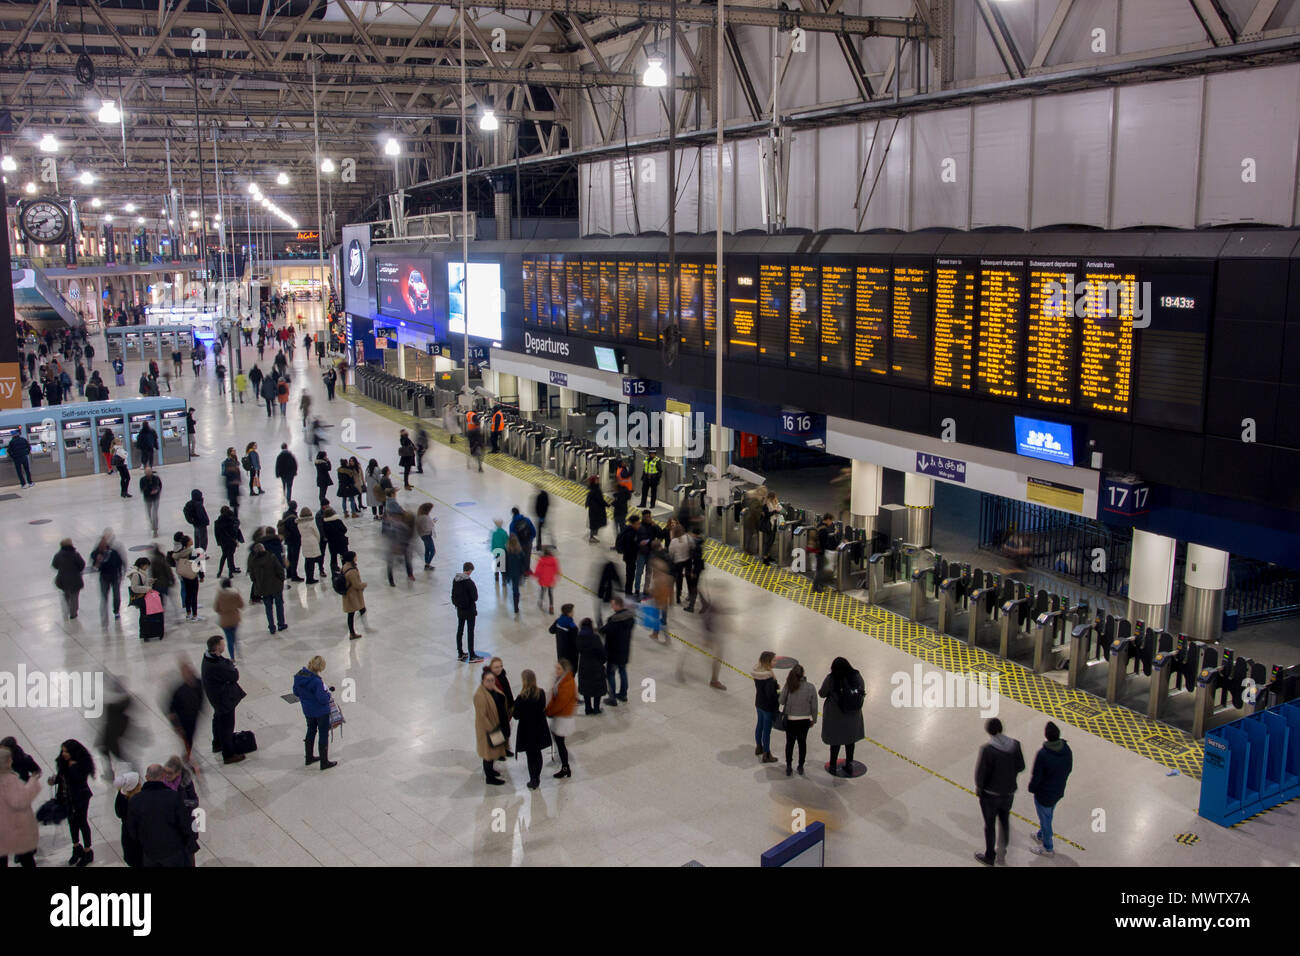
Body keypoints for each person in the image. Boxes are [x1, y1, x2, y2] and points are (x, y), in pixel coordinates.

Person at [973, 717, 1026, 866]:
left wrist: (980, 790)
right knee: (1004, 821)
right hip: (1008, 793)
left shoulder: (988, 750)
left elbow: (981, 775)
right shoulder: (1015, 745)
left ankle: (990, 856)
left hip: (990, 795)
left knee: (990, 825)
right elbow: (1021, 766)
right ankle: (1002, 850)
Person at [126, 764, 197, 867]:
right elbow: (185, 825)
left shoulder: (135, 801)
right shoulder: (173, 797)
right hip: (174, 852)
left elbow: (132, 831)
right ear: (163, 776)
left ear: (146, 777)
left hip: (150, 853)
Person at [1027, 721, 1073, 857]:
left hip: (1044, 794)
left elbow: (1037, 776)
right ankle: (1041, 834)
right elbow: (1069, 768)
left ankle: (1047, 847)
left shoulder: (1043, 754)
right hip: (1058, 790)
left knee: (1045, 819)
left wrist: (1032, 788)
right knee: (1048, 814)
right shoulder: (1066, 750)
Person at [49, 739, 96, 865]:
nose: (63, 754)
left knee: (82, 822)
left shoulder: (79, 766)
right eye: (63, 751)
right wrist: (55, 780)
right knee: (72, 823)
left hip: (80, 799)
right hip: (66, 799)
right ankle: (76, 847)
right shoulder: (64, 763)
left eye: (66, 751)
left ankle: (87, 851)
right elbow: (62, 776)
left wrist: (73, 768)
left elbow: (77, 782)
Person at [202, 635, 247, 765]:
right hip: (223, 698)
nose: (224, 646)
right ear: (217, 647)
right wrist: (232, 667)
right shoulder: (217, 666)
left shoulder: (208, 657)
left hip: (215, 697)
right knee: (227, 726)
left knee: (218, 719)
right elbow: (234, 675)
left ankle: (217, 743)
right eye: (222, 644)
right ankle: (228, 754)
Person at [819, 657, 866, 777]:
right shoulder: (856, 676)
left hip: (835, 715)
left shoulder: (831, 679)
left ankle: (833, 765)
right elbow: (862, 689)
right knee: (850, 741)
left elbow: (822, 693)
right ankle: (849, 763)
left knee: (835, 742)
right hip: (853, 715)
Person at [0, 744, 43, 867]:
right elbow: (19, 801)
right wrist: (33, 783)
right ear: (7, 761)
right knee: (26, 859)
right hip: (15, 828)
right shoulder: (9, 780)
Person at [293, 657, 338, 771]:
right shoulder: (316, 681)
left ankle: (309, 757)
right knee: (323, 734)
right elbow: (323, 699)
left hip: (308, 710)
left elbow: (296, 692)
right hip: (321, 712)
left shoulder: (299, 675)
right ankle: (324, 762)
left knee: (311, 731)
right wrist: (328, 693)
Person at [512, 669, 551, 790]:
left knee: (530, 755)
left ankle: (533, 778)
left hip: (527, 730)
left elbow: (516, 715)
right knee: (538, 753)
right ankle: (537, 777)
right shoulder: (541, 693)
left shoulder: (521, 697)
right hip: (539, 728)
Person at [779, 664, 818, 777]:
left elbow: (781, 701)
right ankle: (800, 766)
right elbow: (814, 706)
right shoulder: (810, 687)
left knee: (790, 743)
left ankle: (788, 766)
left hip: (790, 720)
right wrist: (813, 720)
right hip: (804, 721)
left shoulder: (789, 685)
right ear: (803, 674)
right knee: (802, 743)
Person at [166, 660, 205, 765]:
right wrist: (175, 725)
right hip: (183, 720)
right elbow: (171, 709)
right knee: (187, 739)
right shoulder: (179, 690)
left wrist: (201, 709)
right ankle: (188, 757)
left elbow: (201, 696)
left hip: (194, 716)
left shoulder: (198, 682)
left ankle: (188, 754)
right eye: (186, 671)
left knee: (191, 737)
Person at [474, 670, 509, 786]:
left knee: (493, 753)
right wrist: (493, 731)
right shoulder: (479, 696)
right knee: (488, 754)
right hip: (488, 730)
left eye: (492, 680)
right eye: (488, 681)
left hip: (496, 726)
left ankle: (491, 772)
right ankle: (490, 778)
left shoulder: (492, 690)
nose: (491, 683)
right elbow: (482, 717)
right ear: (483, 681)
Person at [599, 596, 635, 707]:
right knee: (623, 671)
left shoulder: (613, 620)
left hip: (613, 652)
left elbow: (605, 630)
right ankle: (623, 694)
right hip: (625, 650)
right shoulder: (630, 618)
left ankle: (612, 697)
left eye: (613, 604)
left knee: (610, 673)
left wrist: (599, 628)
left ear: (618, 605)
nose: (611, 606)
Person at [249, 542, 287, 634]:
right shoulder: (271, 557)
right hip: (275, 586)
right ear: (263, 549)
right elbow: (280, 570)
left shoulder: (253, 561)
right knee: (279, 605)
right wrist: (281, 580)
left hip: (263, 589)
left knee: (268, 608)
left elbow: (252, 577)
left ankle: (271, 626)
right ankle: (281, 624)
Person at [90, 529, 126, 627]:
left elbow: (120, 563)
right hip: (104, 577)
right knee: (104, 597)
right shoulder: (95, 553)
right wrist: (98, 562)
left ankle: (116, 611)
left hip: (115, 576)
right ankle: (104, 619)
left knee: (116, 596)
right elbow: (94, 567)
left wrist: (121, 573)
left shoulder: (113, 552)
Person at [752, 652, 780, 764]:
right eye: (774, 660)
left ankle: (759, 746)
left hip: (759, 703)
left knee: (759, 725)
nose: (776, 662)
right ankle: (767, 754)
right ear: (768, 662)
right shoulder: (769, 679)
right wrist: (778, 691)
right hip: (767, 707)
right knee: (767, 731)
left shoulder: (758, 674)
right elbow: (772, 696)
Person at [575, 618, 606, 714]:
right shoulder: (595, 638)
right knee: (597, 687)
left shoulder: (578, 637)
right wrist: (603, 661)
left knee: (586, 688)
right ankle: (596, 708)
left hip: (584, 665)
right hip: (596, 666)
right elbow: (602, 653)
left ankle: (588, 708)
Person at [170, 534, 203, 623]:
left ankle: (188, 613)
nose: (192, 540)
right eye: (191, 539)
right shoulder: (192, 551)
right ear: (188, 542)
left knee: (188, 594)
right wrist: (201, 575)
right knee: (194, 595)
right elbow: (197, 564)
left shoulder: (181, 552)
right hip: (192, 575)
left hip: (184, 575)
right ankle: (195, 615)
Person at [113, 771, 143, 867]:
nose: (141, 785)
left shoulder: (121, 798)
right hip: (138, 848)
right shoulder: (135, 804)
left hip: (128, 844)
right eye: (139, 783)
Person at [451, 562, 480, 661]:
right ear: (470, 570)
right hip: (470, 611)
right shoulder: (469, 582)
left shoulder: (455, 580)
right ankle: (472, 655)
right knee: (470, 632)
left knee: (460, 631)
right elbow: (475, 597)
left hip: (460, 610)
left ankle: (460, 653)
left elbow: (453, 594)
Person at [52, 538, 86, 621]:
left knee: (67, 594)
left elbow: (54, 565)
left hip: (62, 580)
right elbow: (82, 565)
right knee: (74, 596)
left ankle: (68, 608)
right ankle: (73, 613)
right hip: (75, 579)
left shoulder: (58, 555)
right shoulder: (75, 555)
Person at [340, 550, 366, 639]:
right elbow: (356, 585)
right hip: (353, 596)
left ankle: (354, 631)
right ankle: (352, 633)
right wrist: (364, 584)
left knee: (357, 611)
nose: (356, 557)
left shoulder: (345, 567)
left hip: (349, 595)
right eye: (355, 556)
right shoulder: (352, 571)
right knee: (354, 613)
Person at [213, 506, 244, 578]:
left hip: (223, 541)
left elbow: (216, 533)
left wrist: (218, 541)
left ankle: (219, 572)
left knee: (224, 555)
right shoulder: (231, 521)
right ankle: (230, 572)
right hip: (231, 541)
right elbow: (234, 531)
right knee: (230, 555)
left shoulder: (218, 522)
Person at [549, 604, 579, 675]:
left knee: (562, 672)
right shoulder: (573, 627)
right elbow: (576, 643)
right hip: (571, 656)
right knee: (570, 675)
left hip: (560, 653)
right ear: (569, 613)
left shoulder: (558, 621)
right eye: (572, 611)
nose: (573, 612)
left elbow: (551, 630)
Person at [810, 513, 836, 593]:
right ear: (828, 519)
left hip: (817, 550)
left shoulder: (819, 525)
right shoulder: (824, 530)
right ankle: (816, 587)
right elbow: (824, 542)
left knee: (820, 568)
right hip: (820, 552)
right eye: (831, 521)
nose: (831, 523)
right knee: (819, 570)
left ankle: (818, 585)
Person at [616, 514, 641, 597]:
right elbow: (629, 547)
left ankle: (628, 592)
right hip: (630, 557)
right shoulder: (631, 533)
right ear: (633, 524)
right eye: (638, 523)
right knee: (630, 576)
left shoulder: (628, 530)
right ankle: (628, 594)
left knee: (630, 575)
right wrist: (639, 545)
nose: (639, 525)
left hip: (629, 557)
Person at [320, 505, 349, 574]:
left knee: (333, 558)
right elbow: (345, 529)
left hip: (332, 543)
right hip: (341, 542)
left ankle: (334, 572)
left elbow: (325, 534)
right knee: (343, 557)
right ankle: (345, 572)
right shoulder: (338, 521)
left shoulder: (325, 523)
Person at [298, 507, 324, 583]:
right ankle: (311, 578)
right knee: (312, 561)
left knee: (307, 560)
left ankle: (308, 577)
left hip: (304, 541)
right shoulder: (311, 522)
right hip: (312, 541)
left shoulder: (299, 523)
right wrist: (317, 540)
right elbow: (317, 533)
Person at [503, 534, 526, 615]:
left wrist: (504, 574)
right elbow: (524, 563)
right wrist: (523, 572)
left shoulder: (506, 551)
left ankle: (515, 605)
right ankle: (516, 606)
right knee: (516, 589)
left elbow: (503, 564)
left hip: (510, 573)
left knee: (513, 587)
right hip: (517, 573)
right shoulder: (520, 551)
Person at [184, 489, 211, 554]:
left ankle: (195, 555)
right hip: (201, 525)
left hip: (195, 524)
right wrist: (206, 521)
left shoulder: (190, 503)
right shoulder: (198, 505)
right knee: (203, 542)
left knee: (197, 541)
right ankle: (200, 557)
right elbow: (201, 515)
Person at [534, 546, 559, 613]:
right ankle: (551, 607)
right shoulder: (554, 560)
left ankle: (541, 602)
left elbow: (538, 570)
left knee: (542, 591)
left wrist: (536, 575)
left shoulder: (541, 560)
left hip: (543, 580)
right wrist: (557, 575)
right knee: (550, 593)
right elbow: (556, 569)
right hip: (550, 580)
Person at [139, 466, 163, 536]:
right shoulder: (142, 480)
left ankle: (155, 529)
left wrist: (157, 491)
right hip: (147, 498)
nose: (148, 473)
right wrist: (149, 492)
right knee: (149, 514)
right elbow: (142, 489)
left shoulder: (156, 478)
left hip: (156, 497)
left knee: (154, 514)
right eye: (147, 472)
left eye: (149, 472)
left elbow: (160, 486)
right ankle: (152, 525)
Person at [584, 476, 607, 544]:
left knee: (594, 522)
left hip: (594, 509)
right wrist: (607, 504)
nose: (598, 480)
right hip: (596, 509)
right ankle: (592, 537)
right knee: (595, 523)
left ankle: (592, 536)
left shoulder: (593, 488)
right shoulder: (596, 489)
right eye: (596, 479)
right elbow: (600, 499)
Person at [415, 502, 437, 571]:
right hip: (426, 535)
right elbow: (426, 528)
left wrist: (431, 522)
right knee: (433, 550)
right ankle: (427, 564)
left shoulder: (421, 516)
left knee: (427, 550)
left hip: (423, 535)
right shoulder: (424, 517)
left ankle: (427, 564)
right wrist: (432, 523)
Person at [489, 518, 508, 587]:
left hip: (496, 551)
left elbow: (492, 543)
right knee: (503, 566)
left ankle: (496, 577)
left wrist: (492, 550)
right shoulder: (504, 532)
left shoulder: (494, 533)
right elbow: (507, 542)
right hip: (502, 551)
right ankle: (504, 580)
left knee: (497, 565)